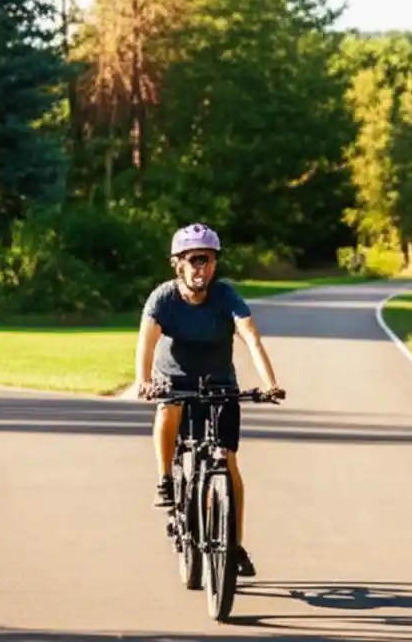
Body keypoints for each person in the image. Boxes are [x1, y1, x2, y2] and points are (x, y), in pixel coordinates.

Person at [134, 223, 285, 578]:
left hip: (219, 383)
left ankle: (233, 544)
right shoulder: (164, 298)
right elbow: (146, 342)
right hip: (174, 379)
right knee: (168, 405)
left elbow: (250, 336)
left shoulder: (224, 295)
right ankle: (165, 480)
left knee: (229, 466)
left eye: (209, 260)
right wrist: (144, 382)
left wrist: (270, 384)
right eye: (195, 260)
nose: (202, 268)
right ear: (178, 264)